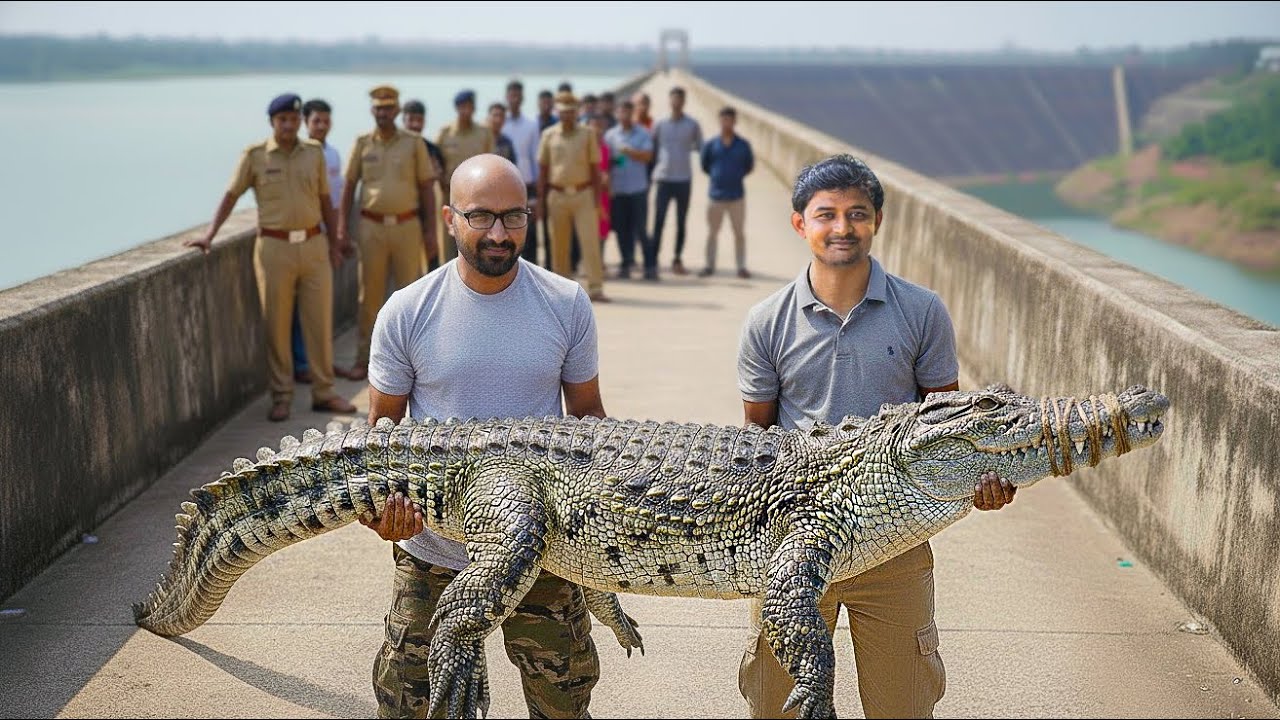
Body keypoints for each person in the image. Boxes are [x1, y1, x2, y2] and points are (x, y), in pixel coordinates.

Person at [735, 154, 1016, 719]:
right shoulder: (767, 321)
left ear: (877, 221)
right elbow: (756, 441)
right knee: (777, 705)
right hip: (792, 543)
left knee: (903, 704)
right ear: (800, 224)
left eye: (857, 213)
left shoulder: (922, 312)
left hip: (895, 542)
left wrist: (982, 483)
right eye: (826, 215)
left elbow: (950, 427)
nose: (842, 228)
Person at [360, 153, 607, 719]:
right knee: (411, 705)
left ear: (530, 216)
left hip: (545, 548)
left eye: (513, 217)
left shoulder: (566, 303)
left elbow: (589, 416)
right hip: (433, 549)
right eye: (480, 217)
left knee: (564, 703)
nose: (499, 233)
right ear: (449, 218)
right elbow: (382, 430)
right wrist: (382, 513)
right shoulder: (406, 311)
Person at [183, 93, 357, 421]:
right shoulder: (255, 156)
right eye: (282, 120)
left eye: (293, 119)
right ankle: (282, 396)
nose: (289, 125)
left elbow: (325, 202)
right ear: (272, 122)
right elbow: (231, 196)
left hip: (313, 245)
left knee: (320, 323)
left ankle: (324, 392)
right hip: (274, 249)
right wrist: (209, 235)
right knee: (276, 325)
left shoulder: (313, 153)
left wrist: (334, 242)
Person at [340, 85, 438, 382]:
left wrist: (431, 231)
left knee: (412, 296)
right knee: (368, 297)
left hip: (408, 226)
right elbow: (348, 187)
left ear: (397, 111)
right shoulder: (361, 143)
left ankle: (416, 363)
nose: (383, 113)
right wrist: (342, 229)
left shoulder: (413, 144)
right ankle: (364, 360)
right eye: (378, 108)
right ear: (373, 111)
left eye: (388, 108)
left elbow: (426, 189)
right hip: (371, 227)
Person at [292, 98, 353, 383]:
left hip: (324, 237)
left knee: (321, 306)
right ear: (306, 122)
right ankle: (303, 364)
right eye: (316, 121)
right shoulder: (299, 154)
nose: (322, 126)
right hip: (300, 238)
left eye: (326, 121)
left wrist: (339, 236)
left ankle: (323, 363)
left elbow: (336, 199)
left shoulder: (333, 155)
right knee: (297, 310)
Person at [537, 90, 609, 303]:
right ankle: (562, 292)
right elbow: (543, 170)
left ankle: (595, 288)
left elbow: (595, 169)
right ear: (557, 112)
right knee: (558, 245)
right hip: (557, 195)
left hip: (583, 194)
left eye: (570, 112)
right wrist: (540, 202)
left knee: (590, 243)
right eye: (562, 112)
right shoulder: (549, 135)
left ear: (577, 112)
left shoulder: (587, 134)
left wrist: (597, 202)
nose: (566, 115)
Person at [436, 89, 495, 262]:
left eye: (469, 107)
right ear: (456, 108)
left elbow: (490, 164)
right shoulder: (445, 133)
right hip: (449, 197)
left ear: (474, 108)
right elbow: (435, 163)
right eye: (462, 107)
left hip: (478, 198)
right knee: (448, 242)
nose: (465, 111)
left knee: (475, 240)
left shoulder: (484, 133)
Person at [650, 86, 703, 277]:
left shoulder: (692, 125)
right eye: (673, 99)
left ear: (684, 101)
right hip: (663, 178)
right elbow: (653, 149)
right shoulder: (660, 123)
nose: (676, 102)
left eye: (679, 99)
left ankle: (677, 259)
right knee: (659, 222)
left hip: (683, 179)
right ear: (669, 100)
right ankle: (652, 261)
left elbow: (700, 146)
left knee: (681, 222)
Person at [698, 106, 755, 279]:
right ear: (719, 121)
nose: (726, 123)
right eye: (723, 119)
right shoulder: (710, 145)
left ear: (734, 122)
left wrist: (735, 176)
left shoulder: (743, 145)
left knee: (739, 233)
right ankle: (709, 265)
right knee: (712, 232)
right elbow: (705, 165)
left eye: (729, 120)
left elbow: (749, 166)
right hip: (716, 196)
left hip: (736, 196)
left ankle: (741, 266)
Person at [603, 99, 653, 280]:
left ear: (632, 113)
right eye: (621, 112)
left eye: (627, 112)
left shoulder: (643, 133)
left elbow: (648, 156)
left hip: (638, 189)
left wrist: (630, 152)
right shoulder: (610, 135)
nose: (624, 115)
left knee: (641, 229)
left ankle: (650, 266)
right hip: (619, 190)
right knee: (622, 230)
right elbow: (605, 160)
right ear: (617, 114)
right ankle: (626, 264)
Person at [401, 99, 448, 272]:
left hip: (430, 215)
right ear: (403, 120)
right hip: (405, 216)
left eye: (419, 120)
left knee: (433, 262)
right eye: (410, 119)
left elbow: (441, 181)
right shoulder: (397, 149)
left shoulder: (432, 149)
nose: (414, 124)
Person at [502, 80, 543, 265]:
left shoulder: (532, 124)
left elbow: (536, 156)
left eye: (518, 95)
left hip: (527, 184)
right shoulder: (500, 123)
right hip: (504, 185)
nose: (515, 99)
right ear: (507, 97)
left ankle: (532, 269)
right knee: (507, 228)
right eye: (512, 95)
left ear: (523, 98)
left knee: (530, 231)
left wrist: (538, 191)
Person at [588, 113, 612, 248]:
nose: (596, 130)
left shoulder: (605, 148)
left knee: (603, 225)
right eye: (593, 126)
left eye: (599, 126)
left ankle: (600, 257)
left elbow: (608, 168)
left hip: (603, 192)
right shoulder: (584, 148)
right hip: (587, 191)